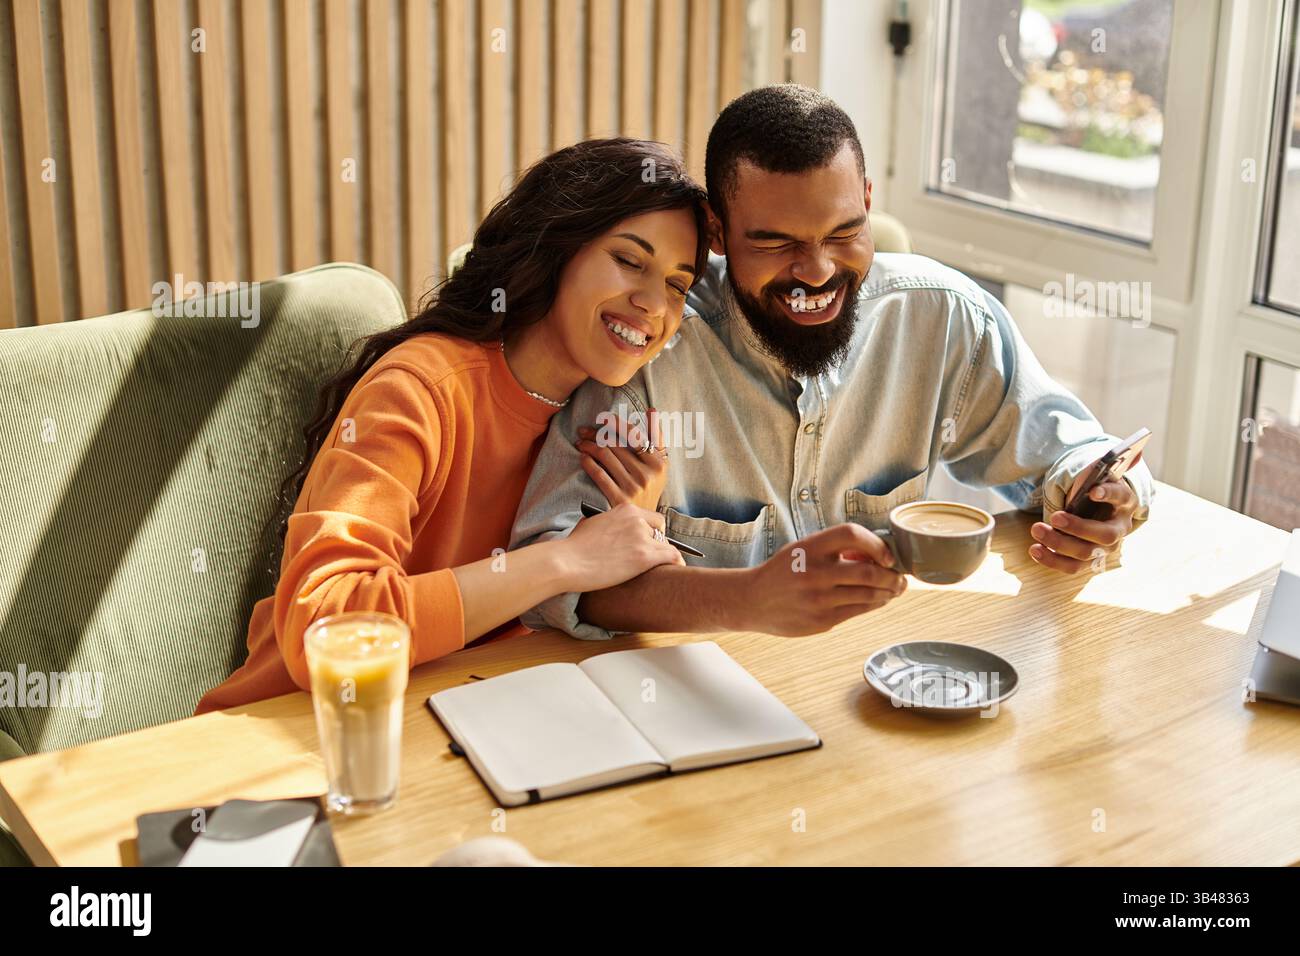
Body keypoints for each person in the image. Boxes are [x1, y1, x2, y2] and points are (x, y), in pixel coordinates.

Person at [510, 85, 1154, 641]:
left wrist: (1104, 497)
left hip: (889, 682)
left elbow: (1072, 455)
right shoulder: (650, 347)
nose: (816, 272)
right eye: (774, 242)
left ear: (868, 199)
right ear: (715, 230)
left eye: (843, 233)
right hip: (701, 701)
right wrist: (747, 599)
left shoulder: (941, 317)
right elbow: (551, 575)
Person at [195, 138, 707, 713]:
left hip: (463, 715)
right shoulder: (418, 390)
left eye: (677, 285)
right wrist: (562, 560)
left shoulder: (604, 422)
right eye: (630, 261)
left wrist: (634, 525)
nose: (653, 305)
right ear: (557, 248)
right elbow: (323, 623)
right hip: (296, 728)